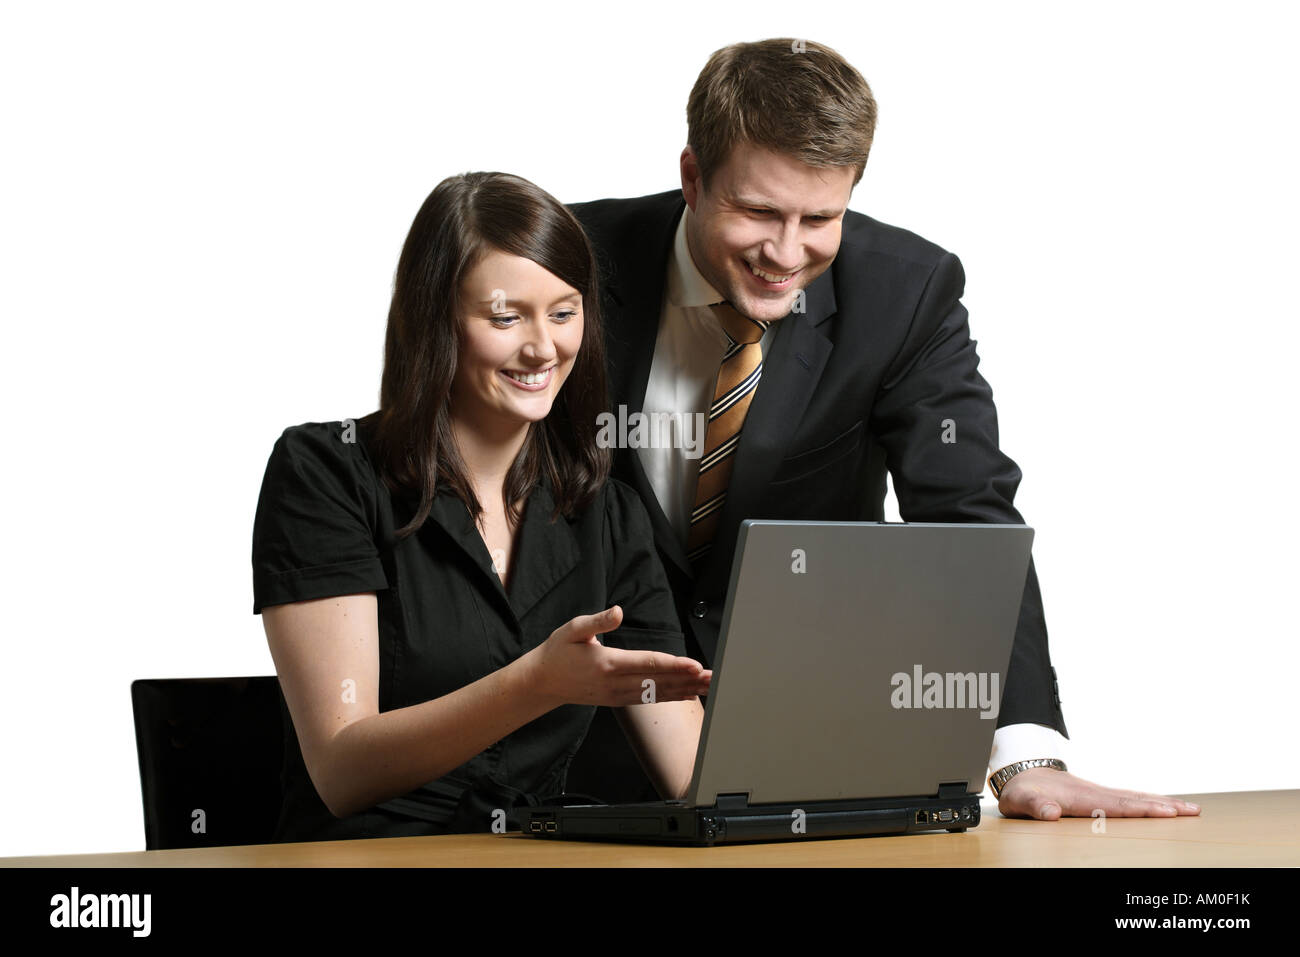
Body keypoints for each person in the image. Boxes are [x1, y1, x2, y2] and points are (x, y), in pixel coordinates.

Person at [565, 38, 1200, 822]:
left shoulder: (906, 293)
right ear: (693, 175)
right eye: (759, 211)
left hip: (807, 765)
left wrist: (1025, 753)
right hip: (564, 761)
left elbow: (968, 514)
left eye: (820, 217)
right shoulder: (567, 262)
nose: (784, 252)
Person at [251, 171, 711, 842]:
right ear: (436, 319)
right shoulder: (325, 475)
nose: (543, 347)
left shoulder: (606, 513)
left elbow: (694, 780)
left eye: (563, 311)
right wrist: (539, 681)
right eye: (505, 316)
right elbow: (342, 769)